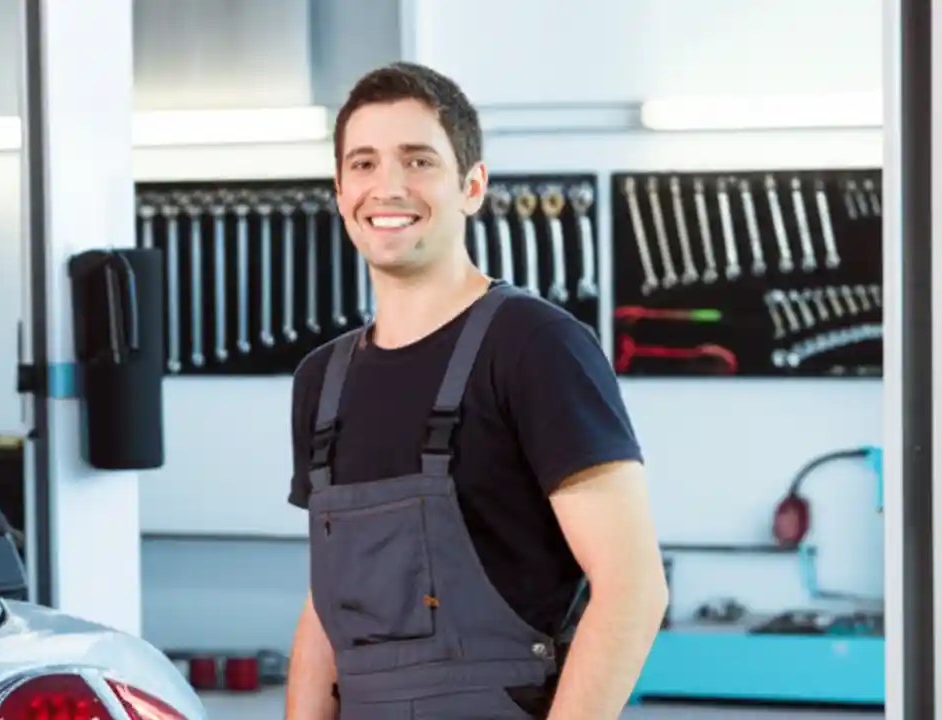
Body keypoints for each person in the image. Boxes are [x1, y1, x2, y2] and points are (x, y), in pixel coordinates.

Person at [283, 62, 668, 720]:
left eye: (418, 161)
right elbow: (327, 607)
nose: (388, 187)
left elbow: (632, 589)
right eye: (364, 163)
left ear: (472, 186)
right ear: (340, 191)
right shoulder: (322, 381)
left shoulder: (536, 346)